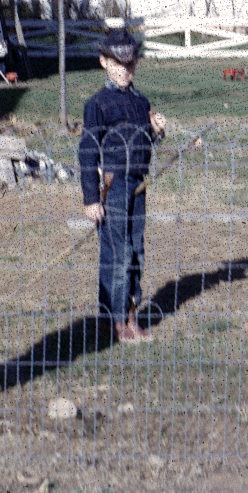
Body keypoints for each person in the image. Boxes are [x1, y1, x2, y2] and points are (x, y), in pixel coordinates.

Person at [78, 29, 166, 344]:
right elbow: (87, 151)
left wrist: (155, 131)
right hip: (112, 185)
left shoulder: (141, 101)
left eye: (130, 65)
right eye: (118, 64)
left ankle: (130, 314)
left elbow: (141, 143)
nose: (124, 71)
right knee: (118, 253)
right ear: (104, 62)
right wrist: (91, 197)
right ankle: (114, 321)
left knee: (136, 252)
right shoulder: (98, 104)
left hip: (137, 185)